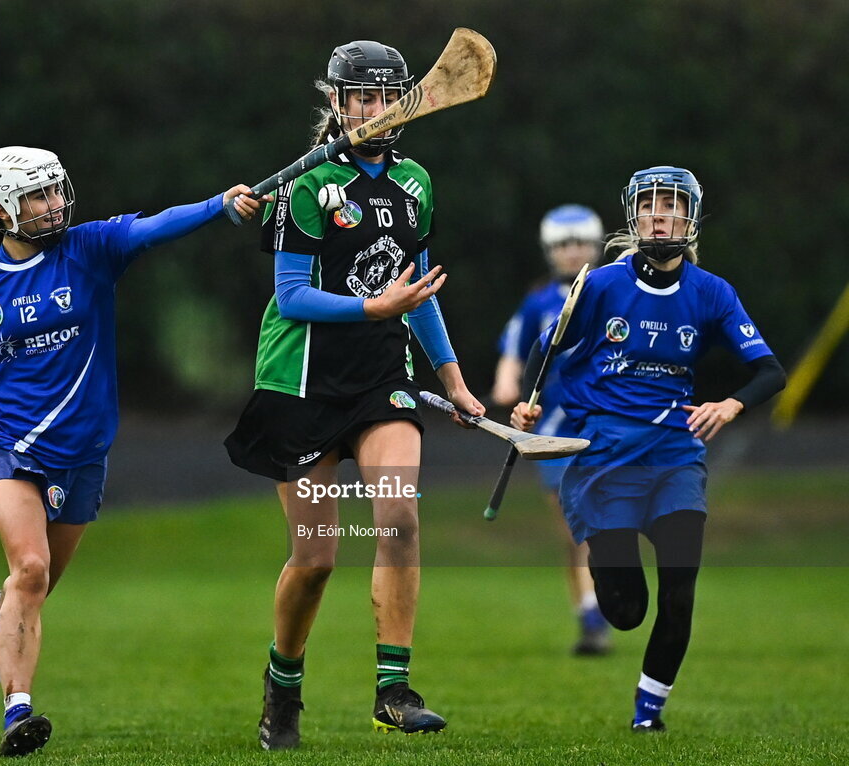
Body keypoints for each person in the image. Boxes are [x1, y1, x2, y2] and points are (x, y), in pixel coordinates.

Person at [0, 146, 266, 757]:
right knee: (30, 568)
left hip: (84, 453)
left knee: (38, 586)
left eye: (55, 192)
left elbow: (155, 226)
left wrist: (219, 207)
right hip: (7, 445)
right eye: (37, 196)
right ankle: (17, 714)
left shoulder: (90, 248)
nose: (54, 206)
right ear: (1, 209)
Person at [224, 41, 484, 750]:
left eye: (381, 97)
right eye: (356, 97)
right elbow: (292, 297)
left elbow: (418, 293)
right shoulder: (307, 188)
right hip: (300, 383)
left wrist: (454, 381)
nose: (368, 110)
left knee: (398, 516)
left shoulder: (416, 184)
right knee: (315, 558)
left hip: (380, 378)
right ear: (335, 103)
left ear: (401, 102)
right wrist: (371, 308)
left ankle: (393, 691)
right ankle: (283, 687)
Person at [511, 166, 785, 732]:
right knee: (627, 610)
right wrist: (527, 405)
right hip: (605, 461)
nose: (661, 215)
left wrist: (729, 405)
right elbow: (547, 348)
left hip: (675, 457)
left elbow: (768, 371)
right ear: (633, 217)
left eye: (673, 206)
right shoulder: (602, 285)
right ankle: (606, 592)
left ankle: (648, 712)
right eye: (651, 206)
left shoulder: (712, 293)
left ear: (690, 219)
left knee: (679, 589)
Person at [492, 204, 612, 656]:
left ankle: (596, 609)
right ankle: (590, 615)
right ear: (549, 251)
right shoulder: (539, 303)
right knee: (574, 533)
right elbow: (513, 348)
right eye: (563, 245)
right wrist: (506, 383)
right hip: (552, 434)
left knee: (599, 527)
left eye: (580, 243)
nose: (572, 252)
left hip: (605, 427)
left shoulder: (614, 291)